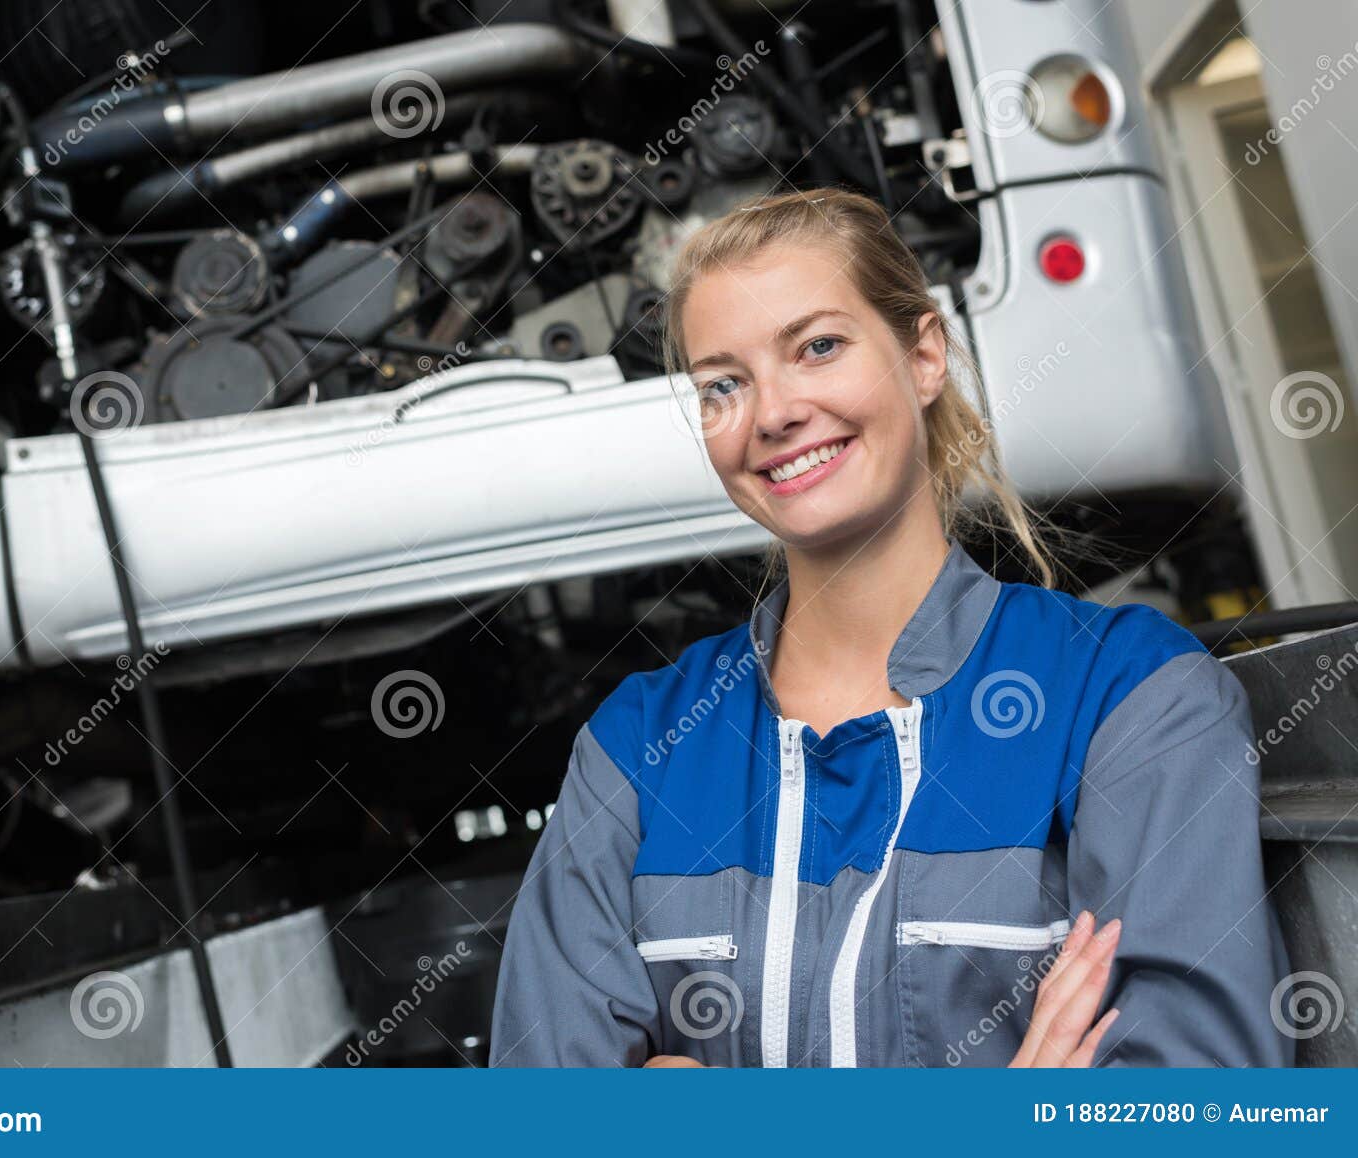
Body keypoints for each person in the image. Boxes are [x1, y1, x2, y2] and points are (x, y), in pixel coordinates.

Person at [488, 186, 1294, 1068]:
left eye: (819, 347)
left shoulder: (1133, 699)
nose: (773, 413)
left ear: (924, 354)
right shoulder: (636, 748)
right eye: (724, 383)